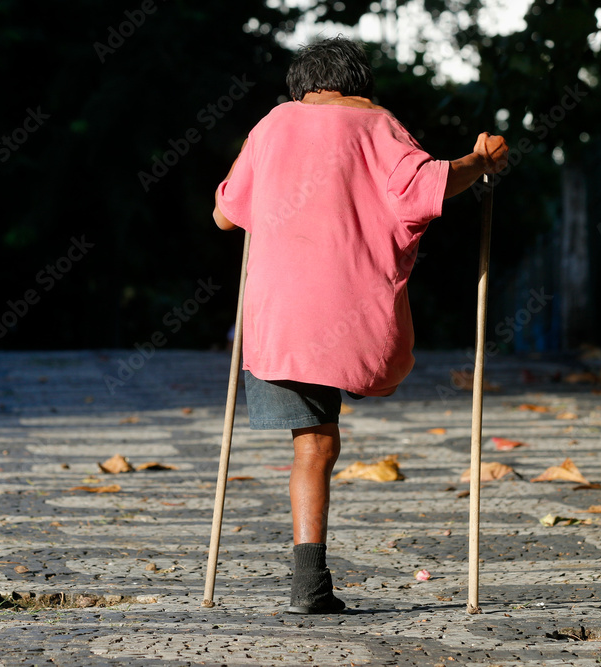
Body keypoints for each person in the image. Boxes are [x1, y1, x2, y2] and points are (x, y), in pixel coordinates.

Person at [212, 37, 508, 614]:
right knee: (323, 440)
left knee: (313, 444)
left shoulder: (272, 124)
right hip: (348, 313)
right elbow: (430, 186)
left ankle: (310, 584)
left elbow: (225, 212)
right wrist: (480, 162)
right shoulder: (377, 125)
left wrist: (258, 148)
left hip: (278, 320)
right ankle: (310, 587)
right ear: (358, 84)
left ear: (302, 88)